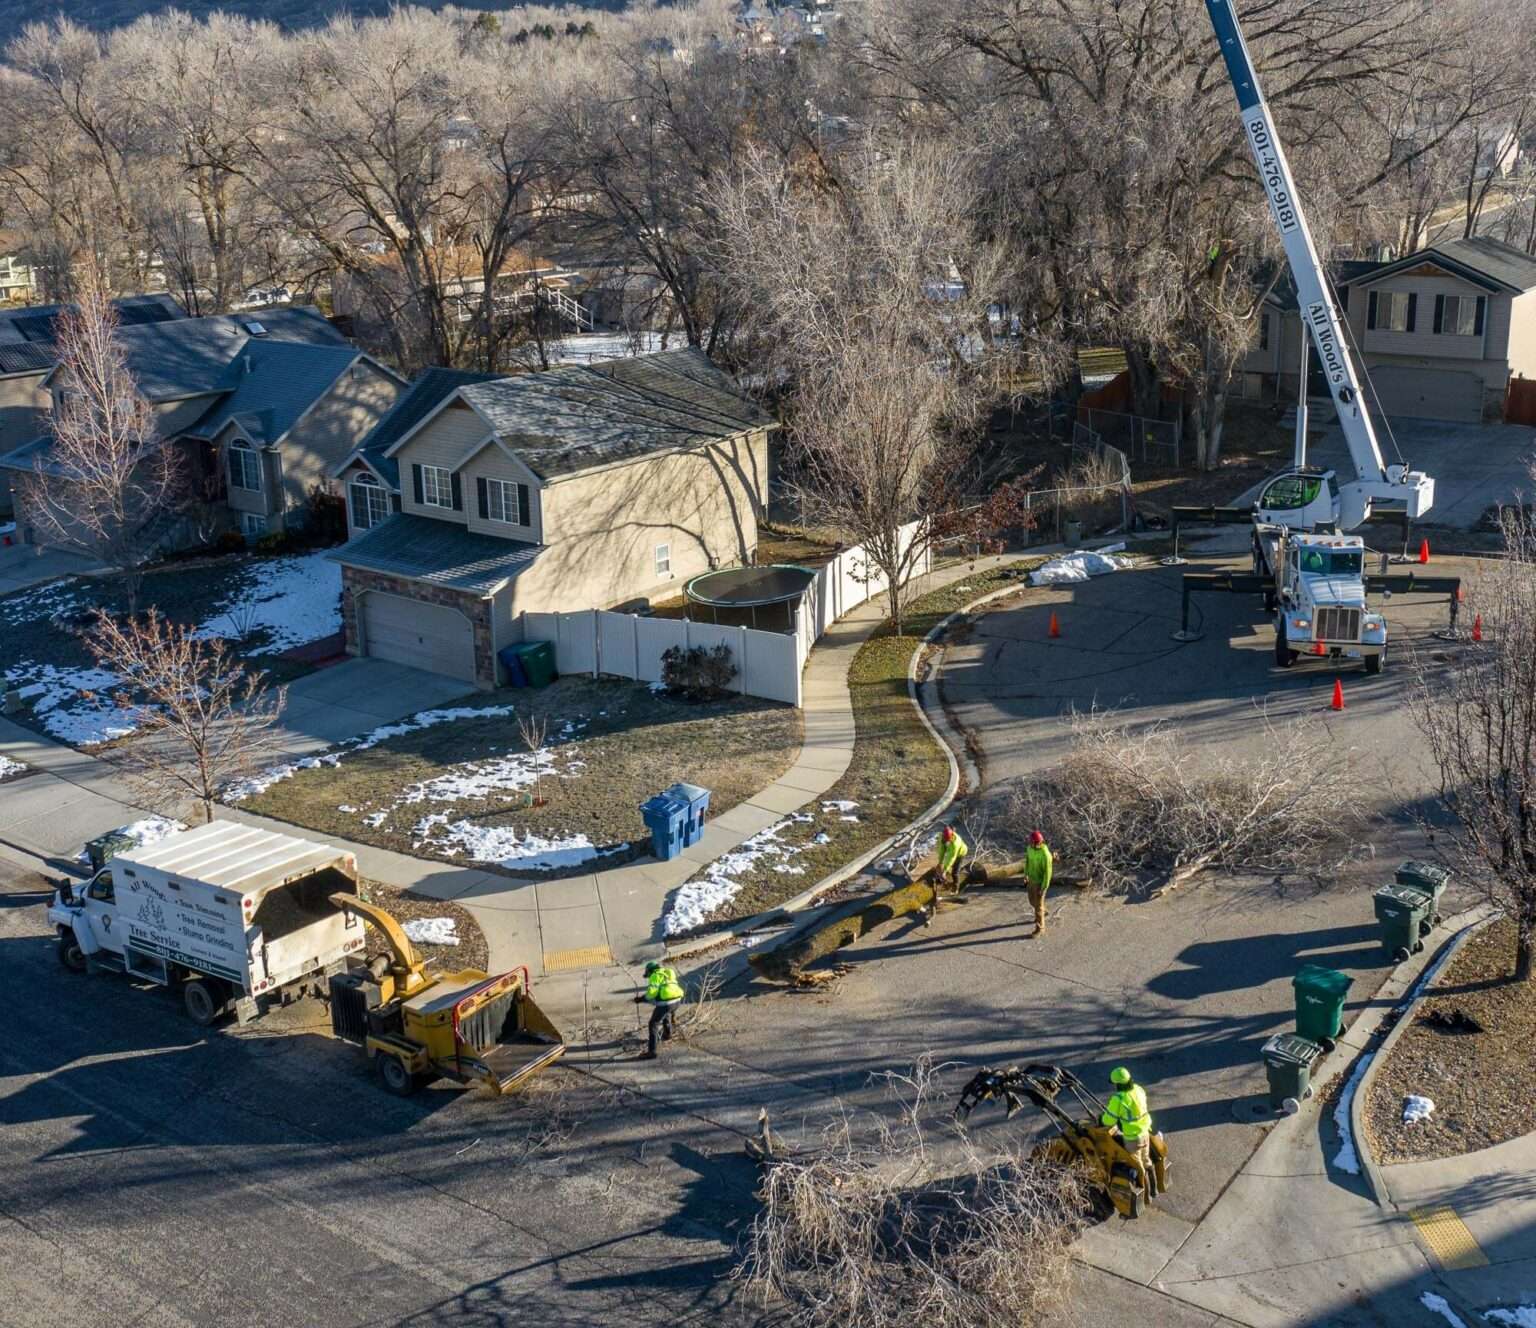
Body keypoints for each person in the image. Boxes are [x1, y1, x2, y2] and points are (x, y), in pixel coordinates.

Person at [1101, 1066, 1153, 1179]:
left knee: (1136, 1164)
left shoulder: (1119, 1099)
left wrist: (1102, 1119)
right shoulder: (1138, 1089)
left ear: (1118, 1084)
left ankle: (1144, 1185)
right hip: (1145, 1132)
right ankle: (1151, 1175)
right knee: (1145, 1158)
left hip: (1132, 1138)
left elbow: (1108, 1120)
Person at [635, 959, 685, 1059]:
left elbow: (651, 993)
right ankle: (667, 1034)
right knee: (667, 1013)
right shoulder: (668, 972)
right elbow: (666, 988)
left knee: (653, 1023)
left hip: (667, 1003)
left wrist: (641, 999)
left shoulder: (655, 976)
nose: (648, 977)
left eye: (648, 974)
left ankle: (652, 1052)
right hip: (677, 1000)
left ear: (650, 971)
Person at [1024, 830, 1053, 935]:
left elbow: (1048, 873)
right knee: (1032, 901)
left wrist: (1044, 887)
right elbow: (1027, 861)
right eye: (1030, 842)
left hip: (1040, 883)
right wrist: (1026, 874)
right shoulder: (1029, 849)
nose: (1030, 844)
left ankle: (1040, 928)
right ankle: (1043, 911)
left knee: (1038, 907)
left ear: (1038, 842)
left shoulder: (1046, 855)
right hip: (1031, 880)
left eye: (1032, 842)